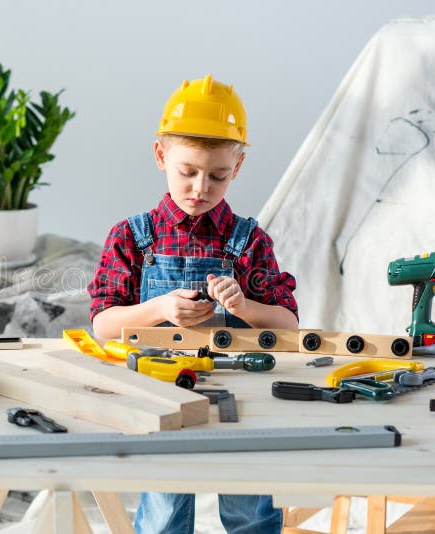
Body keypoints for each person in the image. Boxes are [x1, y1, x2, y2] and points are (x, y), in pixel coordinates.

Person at [87, 75, 298, 534]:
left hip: (242, 396)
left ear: (237, 167)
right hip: (161, 393)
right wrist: (161, 308)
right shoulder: (132, 237)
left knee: (250, 514)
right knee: (163, 513)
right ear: (161, 155)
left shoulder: (248, 242)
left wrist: (245, 306)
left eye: (218, 175)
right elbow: (103, 325)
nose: (201, 187)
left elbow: (287, 322)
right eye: (188, 171)